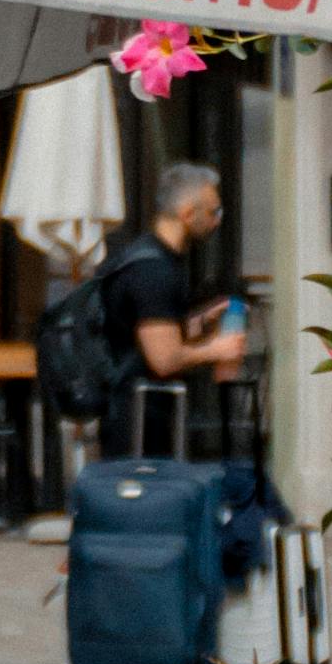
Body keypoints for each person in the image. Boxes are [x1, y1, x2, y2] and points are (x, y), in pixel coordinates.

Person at [97, 159, 250, 448]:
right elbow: (164, 359)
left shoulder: (152, 257)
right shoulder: (154, 271)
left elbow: (143, 331)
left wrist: (198, 323)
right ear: (188, 213)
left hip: (138, 412)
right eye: (213, 211)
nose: (218, 220)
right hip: (137, 422)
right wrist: (216, 349)